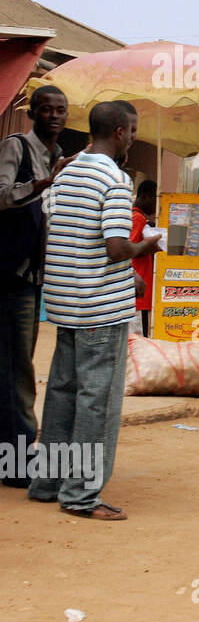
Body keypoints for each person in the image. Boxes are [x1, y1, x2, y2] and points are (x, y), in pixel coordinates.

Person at [30, 101, 161, 519]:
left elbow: (62, 232)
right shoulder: (116, 180)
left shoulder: (65, 172)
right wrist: (146, 247)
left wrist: (129, 275)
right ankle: (83, 495)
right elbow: (115, 247)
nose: (134, 138)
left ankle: (48, 482)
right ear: (120, 132)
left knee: (62, 394)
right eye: (134, 130)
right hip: (101, 310)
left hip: (65, 303)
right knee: (97, 401)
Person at [0, 84, 73, 489]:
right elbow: (1, 195)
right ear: (33, 113)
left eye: (61, 110)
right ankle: (19, 461)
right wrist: (44, 183)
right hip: (11, 275)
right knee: (18, 371)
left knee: (14, 366)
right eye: (47, 110)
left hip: (34, 277)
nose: (55, 116)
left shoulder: (59, 158)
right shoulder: (17, 148)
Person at [129, 180, 157, 337]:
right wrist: (150, 247)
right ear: (146, 197)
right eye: (155, 198)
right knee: (140, 342)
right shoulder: (137, 218)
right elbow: (129, 250)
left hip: (136, 294)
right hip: (139, 294)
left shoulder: (137, 218)